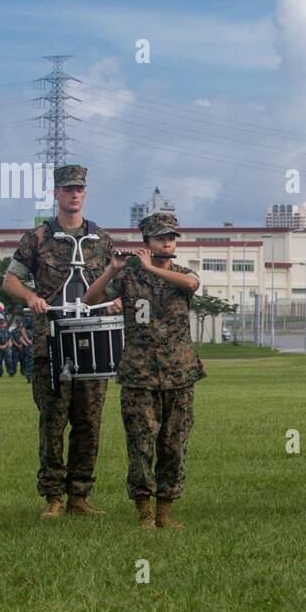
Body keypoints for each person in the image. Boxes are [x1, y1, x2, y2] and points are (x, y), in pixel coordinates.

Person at [1, 164, 115, 518]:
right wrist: (30, 297)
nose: (74, 194)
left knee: (89, 421)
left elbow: (113, 283)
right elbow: (10, 281)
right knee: (53, 419)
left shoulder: (102, 240)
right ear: (56, 194)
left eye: (79, 188)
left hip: (91, 339)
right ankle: (53, 496)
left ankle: (79, 496)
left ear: (85, 193)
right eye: (67, 189)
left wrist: (117, 297)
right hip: (51, 339)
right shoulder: (37, 238)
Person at [84, 211, 205, 530]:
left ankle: (165, 510)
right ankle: (144, 512)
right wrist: (112, 270)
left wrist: (152, 267)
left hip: (179, 373)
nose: (168, 242)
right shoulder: (129, 278)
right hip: (139, 375)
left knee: (174, 443)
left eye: (172, 237)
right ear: (147, 242)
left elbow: (192, 284)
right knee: (140, 444)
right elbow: (90, 299)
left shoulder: (182, 273)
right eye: (161, 237)